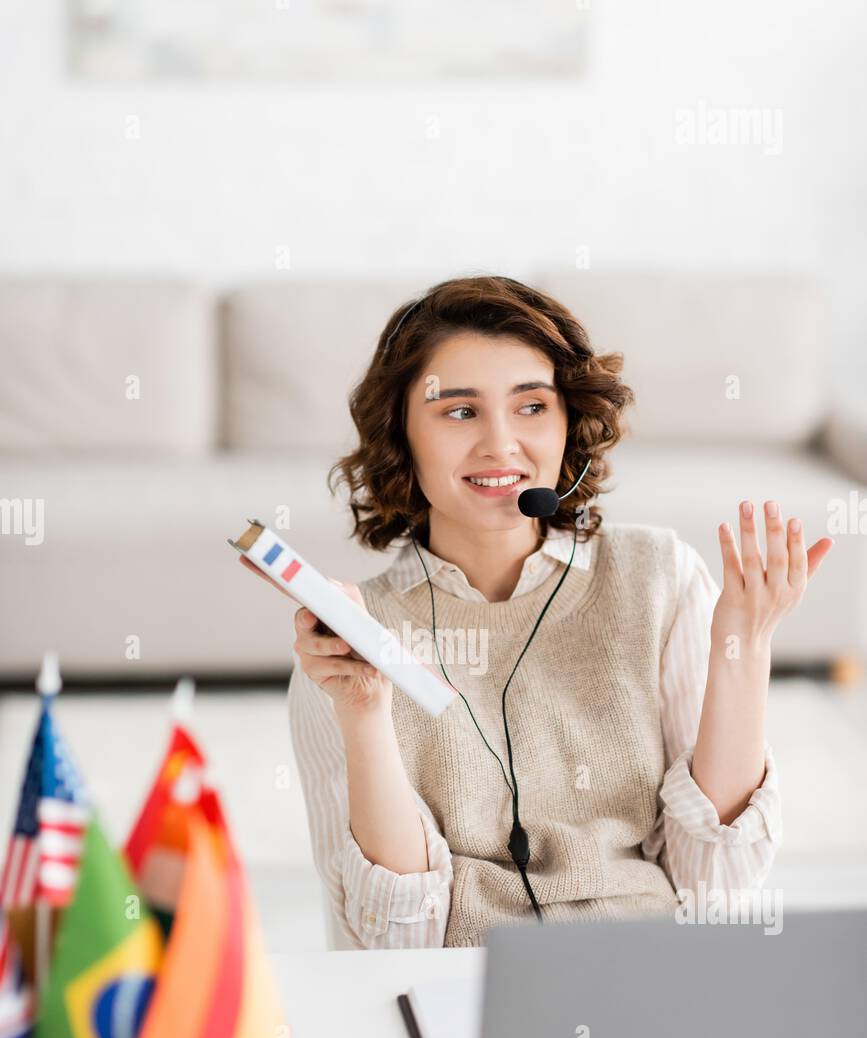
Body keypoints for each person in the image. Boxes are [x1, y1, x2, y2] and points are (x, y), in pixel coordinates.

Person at [288, 275, 833, 949]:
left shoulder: (658, 574)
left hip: (649, 967)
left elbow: (713, 890)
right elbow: (394, 935)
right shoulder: (348, 641)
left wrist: (743, 646)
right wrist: (365, 708)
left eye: (531, 407)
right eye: (458, 411)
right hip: (462, 983)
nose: (499, 445)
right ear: (399, 433)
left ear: (569, 421)